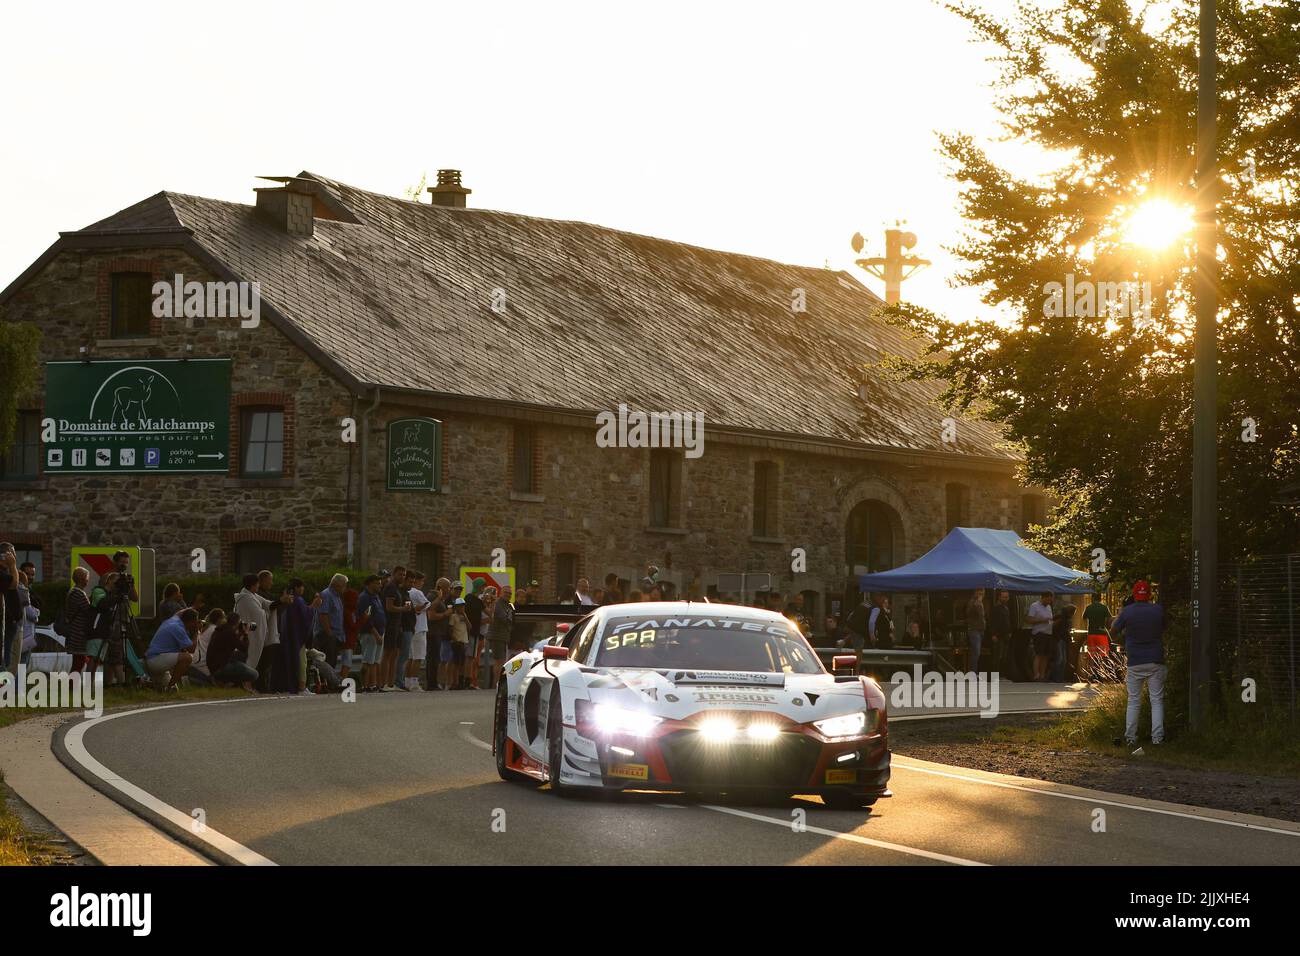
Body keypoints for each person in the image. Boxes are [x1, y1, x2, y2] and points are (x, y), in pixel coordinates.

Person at [1111, 580, 1166, 746]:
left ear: (1134, 595)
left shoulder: (1127, 612)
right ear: (1149, 594)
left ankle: (1131, 737)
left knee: (1133, 700)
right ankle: (1157, 738)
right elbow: (1164, 628)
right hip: (1155, 659)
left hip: (1135, 660)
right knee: (1156, 700)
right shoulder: (1158, 610)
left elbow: (1113, 631)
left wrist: (1121, 640)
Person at [144, 607, 199, 691]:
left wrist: (194, 607)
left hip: (155, 659)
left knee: (171, 690)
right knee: (187, 658)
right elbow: (191, 649)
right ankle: (170, 687)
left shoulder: (173, 620)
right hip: (156, 660)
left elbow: (181, 612)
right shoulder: (178, 629)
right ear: (192, 622)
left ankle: (145, 682)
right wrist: (196, 632)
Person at [233, 573, 269, 685]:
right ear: (253, 585)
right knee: (248, 657)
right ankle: (245, 682)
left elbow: (265, 604)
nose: (258, 586)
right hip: (248, 633)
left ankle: (246, 682)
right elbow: (258, 615)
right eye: (257, 584)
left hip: (248, 631)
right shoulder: (246, 598)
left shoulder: (251, 596)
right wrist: (266, 613)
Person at [207, 612, 258, 689]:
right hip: (220, 669)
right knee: (254, 674)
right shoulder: (229, 632)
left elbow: (231, 644)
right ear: (237, 622)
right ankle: (227, 682)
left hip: (213, 667)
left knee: (239, 656)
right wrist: (246, 633)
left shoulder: (219, 630)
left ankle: (235, 684)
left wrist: (239, 633)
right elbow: (244, 648)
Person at [355, 575, 386, 692]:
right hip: (370, 633)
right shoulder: (364, 597)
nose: (380, 585)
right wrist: (375, 633)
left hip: (380, 631)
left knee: (375, 660)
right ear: (369, 584)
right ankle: (364, 685)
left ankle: (373, 684)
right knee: (368, 660)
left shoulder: (376, 597)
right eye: (377, 583)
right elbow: (365, 617)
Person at [381, 566, 409, 691]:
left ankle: (391, 683)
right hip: (390, 625)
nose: (402, 577)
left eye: (404, 575)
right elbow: (389, 607)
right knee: (387, 653)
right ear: (394, 574)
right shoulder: (391, 587)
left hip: (397, 625)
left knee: (395, 654)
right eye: (400, 574)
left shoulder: (398, 589)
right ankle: (384, 683)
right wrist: (403, 608)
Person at [65, 568, 95, 673]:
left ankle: (73, 685)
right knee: (79, 662)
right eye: (87, 578)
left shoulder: (74, 591)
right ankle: (72, 686)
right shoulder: (78, 593)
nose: (88, 581)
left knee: (79, 661)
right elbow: (89, 610)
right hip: (78, 632)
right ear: (82, 579)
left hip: (76, 631)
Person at [405, 571, 430, 691]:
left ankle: (408, 681)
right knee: (418, 657)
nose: (423, 583)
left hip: (413, 627)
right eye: (422, 581)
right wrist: (439, 598)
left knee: (411, 657)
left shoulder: (408, 592)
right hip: (420, 627)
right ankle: (414, 683)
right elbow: (428, 605)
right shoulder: (417, 592)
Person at [316, 573, 347, 669]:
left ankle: (330, 683)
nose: (345, 588)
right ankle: (327, 684)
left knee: (332, 663)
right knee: (328, 664)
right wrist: (330, 633)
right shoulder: (326, 595)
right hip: (327, 636)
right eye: (344, 585)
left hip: (335, 636)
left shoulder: (337, 596)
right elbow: (323, 615)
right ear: (337, 585)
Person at [1, 543, 22, 677]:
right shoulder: (3, 573)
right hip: (6, 623)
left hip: (9, 623)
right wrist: (13, 566)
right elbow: (14, 584)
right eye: (12, 554)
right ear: (5, 555)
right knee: (4, 663)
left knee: (7, 662)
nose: (15, 557)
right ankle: (4, 695)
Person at [1081, 592, 1112, 683]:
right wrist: (1106, 626)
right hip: (1102, 634)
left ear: (1093, 598)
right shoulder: (1104, 607)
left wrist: (1087, 629)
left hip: (1091, 634)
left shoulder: (1088, 607)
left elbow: (1084, 618)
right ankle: (1101, 674)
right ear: (1100, 598)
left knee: (1092, 656)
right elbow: (1110, 618)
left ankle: (1092, 674)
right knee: (1102, 656)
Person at [189, 608, 225, 685]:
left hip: (196, 660)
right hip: (202, 663)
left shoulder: (208, 627)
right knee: (211, 684)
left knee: (213, 682)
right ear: (219, 619)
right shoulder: (215, 630)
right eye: (223, 618)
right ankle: (187, 680)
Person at [427, 578, 451, 690]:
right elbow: (431, 615)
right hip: (433, 632)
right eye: (448, 587)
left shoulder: (441, 598)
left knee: (436, 658)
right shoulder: (433, 596)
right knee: (433, 658)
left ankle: (434, 682)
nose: (449, 590)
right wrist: (445, 614)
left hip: (439, 632)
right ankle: (431, 683)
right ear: (441, 587)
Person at [487, 584, 514, 684]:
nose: (508, 595)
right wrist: (511, 620)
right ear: (501, 593)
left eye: (510, 593)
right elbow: (504, 618)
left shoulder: (508, 604)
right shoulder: (498, 603)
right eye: (506, 592)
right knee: (498, 661)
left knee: (502, 661)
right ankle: (496, 683)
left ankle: (497, 683)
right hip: (497, 635)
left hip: (503, 636)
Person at [1027, 591, 1055, 680]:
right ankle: (1036, 674)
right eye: (1048, 600)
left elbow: (1049, 620)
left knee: (1046, 655)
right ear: (1043, 598)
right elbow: (1030, 620)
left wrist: (1053, 622)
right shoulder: (1034, 606)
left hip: (1048, 633)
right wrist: (1042, 620)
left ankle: (1042, 675)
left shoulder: (1049, 607)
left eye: (1051, 600)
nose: (1049, 602)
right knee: (1039, 654)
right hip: (1039, 633)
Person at [463, 578, 486, 689]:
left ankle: (469, 680)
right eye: (482, 586)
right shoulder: (469, 598)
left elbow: (488, 613)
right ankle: (466, 680)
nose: (483, 588)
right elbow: (464, 612)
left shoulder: (479, 601)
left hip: (476, 631)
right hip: (469, 630)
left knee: (472, 657)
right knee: (469, 656)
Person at [844, 593, 872, 672]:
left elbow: (850, 627)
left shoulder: (856, 612)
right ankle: (856, 672)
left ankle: (856, 671)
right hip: (859, 635)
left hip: (855, 634)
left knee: (858, 651)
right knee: (858, 652)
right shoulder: (866, 610)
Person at [448, 597, 470, 689]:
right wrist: (454, 639)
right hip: (457, 642)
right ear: (456, 607)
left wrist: (465, 616)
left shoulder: (464, 616)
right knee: (456, 663)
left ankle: (461, 681)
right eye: (460, 606)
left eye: (463, 606)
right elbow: (450, 629)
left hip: (464, 641)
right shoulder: (453, 616)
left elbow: (470, 627)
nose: (461, 608)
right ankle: (454, 682)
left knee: (462, 663)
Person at [988, 590, 1012, 676]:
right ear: (999, 597)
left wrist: (1009, 632)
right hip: (998, 635)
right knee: (997, 656)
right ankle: (995, 675)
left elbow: (1007, 622)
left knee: (1003, 656)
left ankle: (1001, 674)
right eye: (1004, 597)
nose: (1006, 599)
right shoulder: (996, 608)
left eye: (1007, 597)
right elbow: (992, 622)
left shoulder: (1006, 608)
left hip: (1005, 635)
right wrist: (993, 634)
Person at [965, 588, 986, 673]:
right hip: (974, 630)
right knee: (976, 653)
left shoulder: (978, 603)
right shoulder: (973, 603)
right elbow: (980, 614)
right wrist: (979, 603)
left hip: (980, 630)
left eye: (982, 593)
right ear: (975, 593)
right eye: (979, 593)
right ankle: (972, 673)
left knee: (977, 652)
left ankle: (975, 672)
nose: (980, 595)